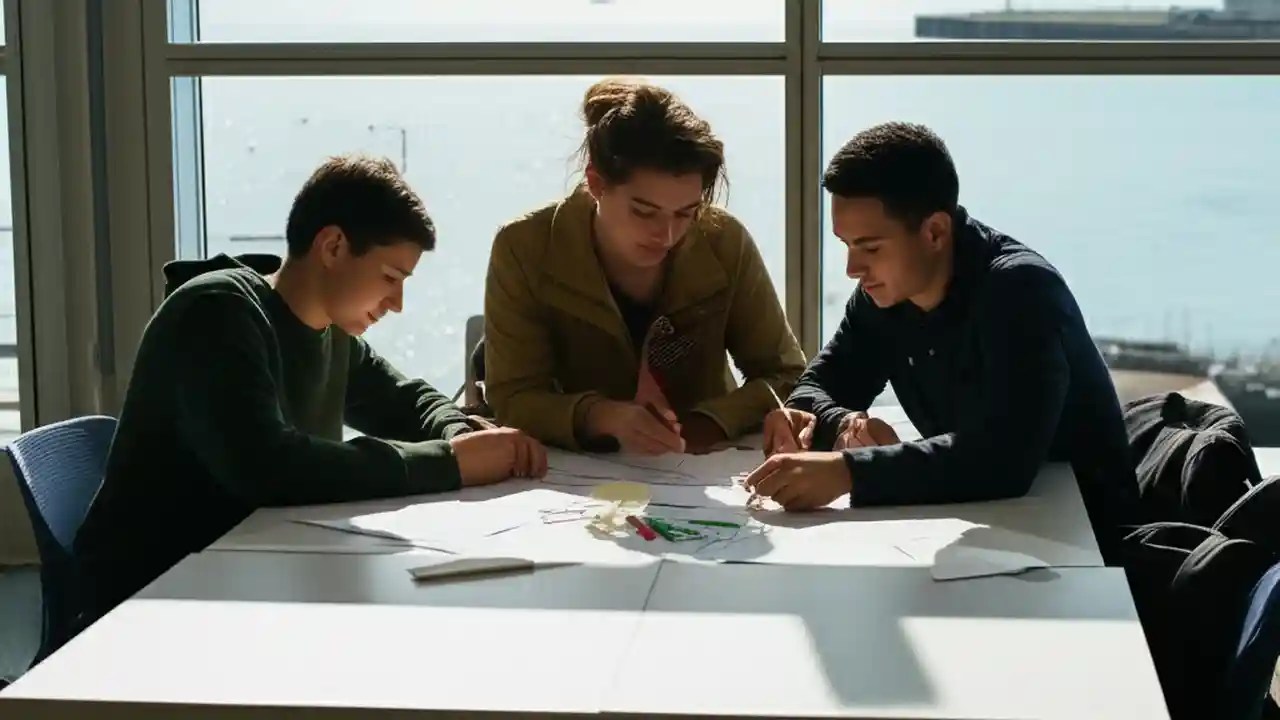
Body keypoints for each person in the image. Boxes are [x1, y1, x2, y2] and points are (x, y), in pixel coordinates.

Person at [75, 155, 547, 626]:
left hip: (247, 581)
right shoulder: (216, 314)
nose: (397, 304)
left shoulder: (331, 333)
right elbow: (271, 466)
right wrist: (452, 463)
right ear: (334, 246)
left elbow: (404, 399)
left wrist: (460, 428)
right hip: (152, 604)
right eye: (390, 278)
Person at [751, 122, 1140, 561]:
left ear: (935, 232)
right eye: (846, 245)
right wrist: (841, 426)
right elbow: (817, 386)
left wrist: (848, 472)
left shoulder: (1019, 291)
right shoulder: (886, 295)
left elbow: (1001, 461)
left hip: (1089, 554)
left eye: (870, 247)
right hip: (988, 536)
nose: (852, 269)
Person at [483, 77, 806, 455]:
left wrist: (710, 420)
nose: (666, 234)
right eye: (644, 212)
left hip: (702, 467)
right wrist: (600, 416)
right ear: (596, 184)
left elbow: (787, 375)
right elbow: (512, 397)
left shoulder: (723, 241)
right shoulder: (524, 247)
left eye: (687, 212)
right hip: (575, 477)